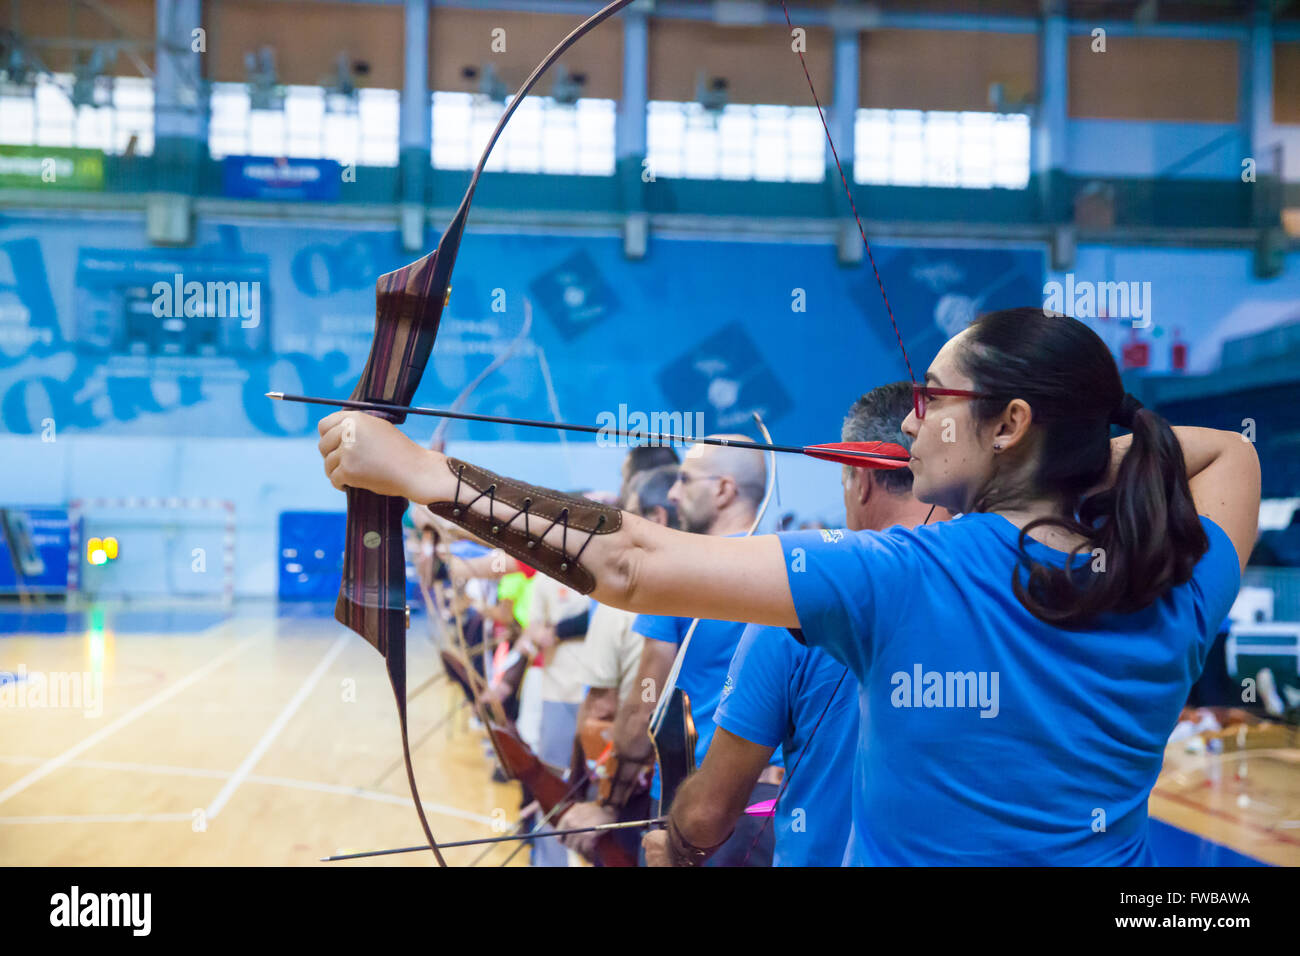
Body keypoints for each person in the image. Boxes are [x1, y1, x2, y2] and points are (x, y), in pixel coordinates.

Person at [317, 308, 1258, 865]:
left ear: (1010, 423)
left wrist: (421, 476)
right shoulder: (1181, 581)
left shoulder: (905, 575)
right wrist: (1078, 457)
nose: (915, 420)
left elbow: (629, 563)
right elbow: (1232, 453)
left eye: (935, 398)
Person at [643, 382, 946, 867]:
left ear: (860, 478)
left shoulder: (800, 595)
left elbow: (707, 812)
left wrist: (674, 847)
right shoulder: (1005, 583)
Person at [559, 463, 679, 863]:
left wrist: (594, 795)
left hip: (640, 794)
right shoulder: (741, 590)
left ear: (658, 518)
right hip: (719, 805)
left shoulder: (638, 604)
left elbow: (607, 709)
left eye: (630, 520)